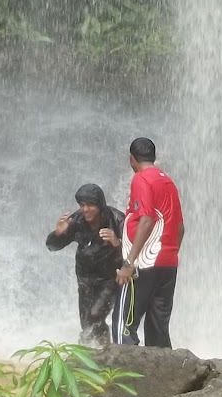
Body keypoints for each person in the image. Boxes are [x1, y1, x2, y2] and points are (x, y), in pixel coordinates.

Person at [114, 137, 184, 348]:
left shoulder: (141, 179)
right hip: (168, 263)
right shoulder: (168, 182)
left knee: (124, 323)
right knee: (158, 326)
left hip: (144, 263)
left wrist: (129, 263)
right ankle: (165, 367)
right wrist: (170, 254)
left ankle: (124, 367)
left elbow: (146, 220)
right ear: (154, 156)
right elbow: (180, 227)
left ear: (132, 159)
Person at [45, 183, 124, 347]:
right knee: (86, 321)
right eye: (82, 205)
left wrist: (118, 243)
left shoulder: (116, 219)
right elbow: (52, 247)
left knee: (95, 315)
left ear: (100, 205)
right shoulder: (77, 221)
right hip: (85, 279)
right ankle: (92, 350)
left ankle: (100, 350)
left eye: (90, 205)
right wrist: (58, 234)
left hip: (109, 279)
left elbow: (134, 252)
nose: (85, 209)